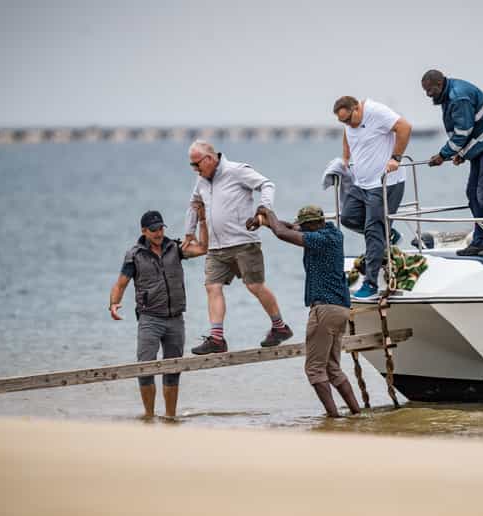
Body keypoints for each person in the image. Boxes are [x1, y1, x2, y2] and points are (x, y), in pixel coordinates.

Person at [247, 205, 362, 418]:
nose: (302, 229)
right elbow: (290, 227)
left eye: (305, 227)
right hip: (340, 310)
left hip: (324, 309)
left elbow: (283, 233)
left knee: (315, 369)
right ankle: (356, 414)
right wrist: (263, 222)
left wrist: (267, 211)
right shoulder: (333, 233)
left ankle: (334, 418)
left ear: (313, 225)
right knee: (332, 368)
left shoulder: (321, 240)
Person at [184, 140, 293, 354]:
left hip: (244, 242)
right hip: (216, 247)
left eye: (197, 164)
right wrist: (190, 231)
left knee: (255, 286)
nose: (195, 170)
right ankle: (217, 339)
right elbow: (194, 205)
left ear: (209, 158)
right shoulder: (202, 181)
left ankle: (280, 327)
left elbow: (267, 184)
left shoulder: (236, 171)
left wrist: (265, 208)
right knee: (212, 287)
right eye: (192, 166)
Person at [109, 207, 209, 418]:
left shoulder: (175, 247)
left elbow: (203, 249)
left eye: (161, 228)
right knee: (145, 368)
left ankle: (170, 417)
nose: (159, 233)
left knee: (173, 369)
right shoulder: (134, 255)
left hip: (175, 320)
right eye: (154, 230)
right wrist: (114, 304)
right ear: (144, 230)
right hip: (149, 319)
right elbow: (121, 284)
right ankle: (149, 416)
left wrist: (202, 220)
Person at [422, 69, 483, 257]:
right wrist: (462, 153)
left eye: (429, 90)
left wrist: (443, 155)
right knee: (473, 192)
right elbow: (468, 131)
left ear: (439, 84)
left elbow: (463, 132)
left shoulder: (458, 97)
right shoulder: (448, 94)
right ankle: (480, 241)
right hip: (482, 143)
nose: (428, 95)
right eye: (425, 91)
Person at [333, 96, 412, 300]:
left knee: (372, 230)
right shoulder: (348, 123)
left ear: (357, 108)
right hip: (361, 184)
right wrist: (345, 159)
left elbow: (405, 127)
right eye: (343, 121)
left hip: (385, 183)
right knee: (348, 217)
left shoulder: (377, 112)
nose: (348, 124)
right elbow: (347, 135)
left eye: (349, 119)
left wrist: (396, 158)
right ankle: (389, 234)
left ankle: (371, 284)